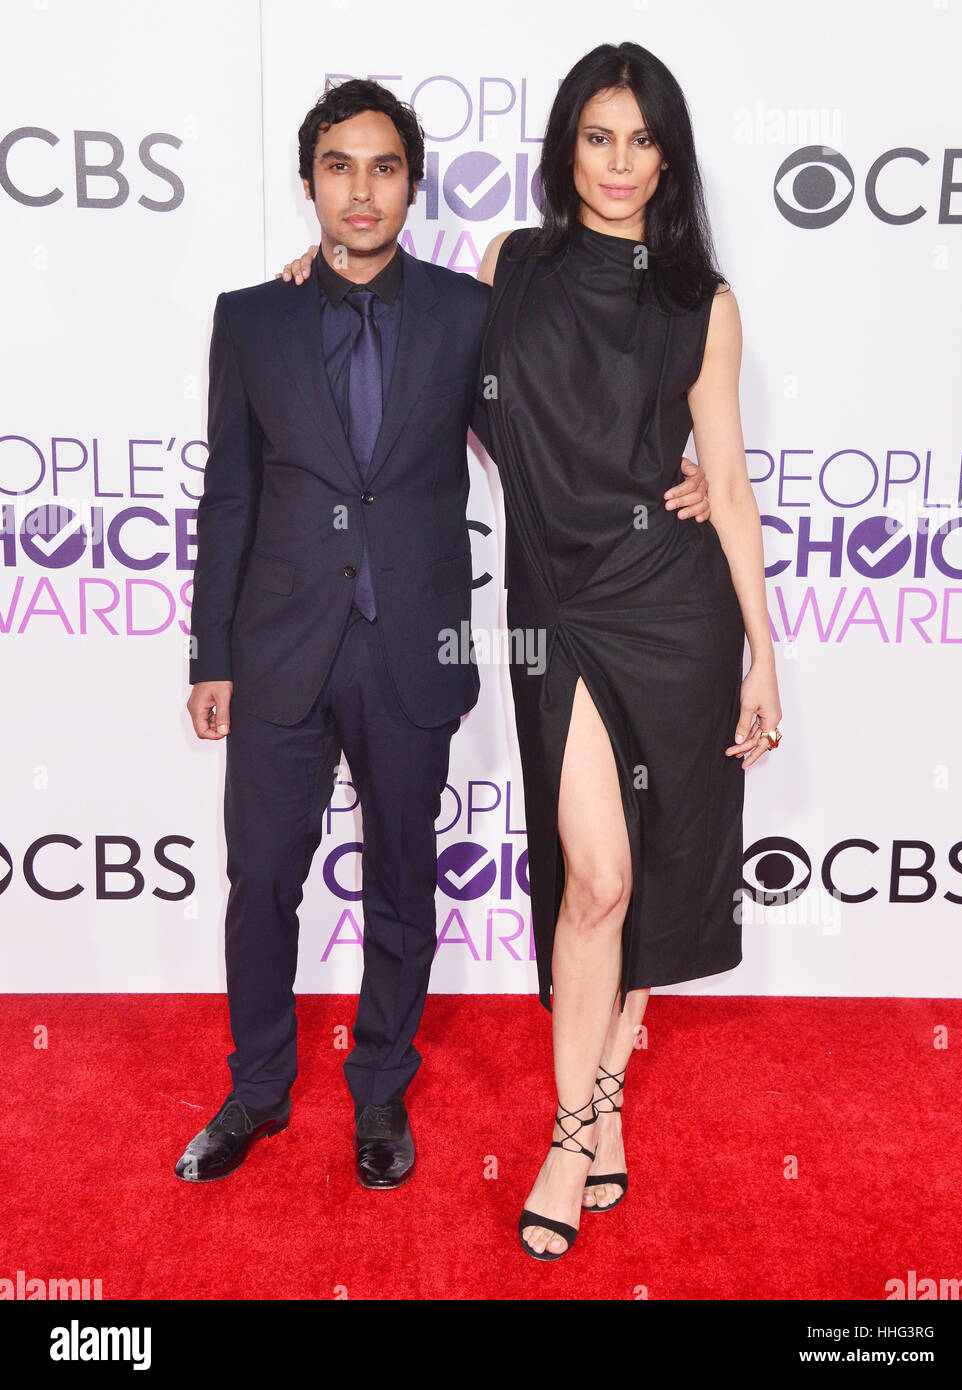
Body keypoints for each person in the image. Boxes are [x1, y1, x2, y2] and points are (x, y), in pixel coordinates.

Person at [178, 74, 714, 1193]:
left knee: (402, 879)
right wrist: (211, 654)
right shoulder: (252, 316)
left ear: (412, 185)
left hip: (412, 643)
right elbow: (228, 492)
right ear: (309, 182)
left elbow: (552, 427)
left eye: (383, 167)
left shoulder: (469, 311)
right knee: (263, 875)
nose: (361, 191)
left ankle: (380, 1094)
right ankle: (258, 1090)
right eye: (338, 167)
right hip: (278, 643)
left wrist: (680, 461)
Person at [477, 42, 782, 1260]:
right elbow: (447, 378)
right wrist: (323, 275)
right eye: (597, 137)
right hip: (557, 604)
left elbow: (736, 481)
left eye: (640, 139)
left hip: (675, 607)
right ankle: (589, 1111)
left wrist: (763, 651)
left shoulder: (701, 301)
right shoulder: (512, 265)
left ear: (669, 154)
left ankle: (580, 1121)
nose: (618, 163)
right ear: (567, 148)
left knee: (639, 871)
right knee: (591, 873)